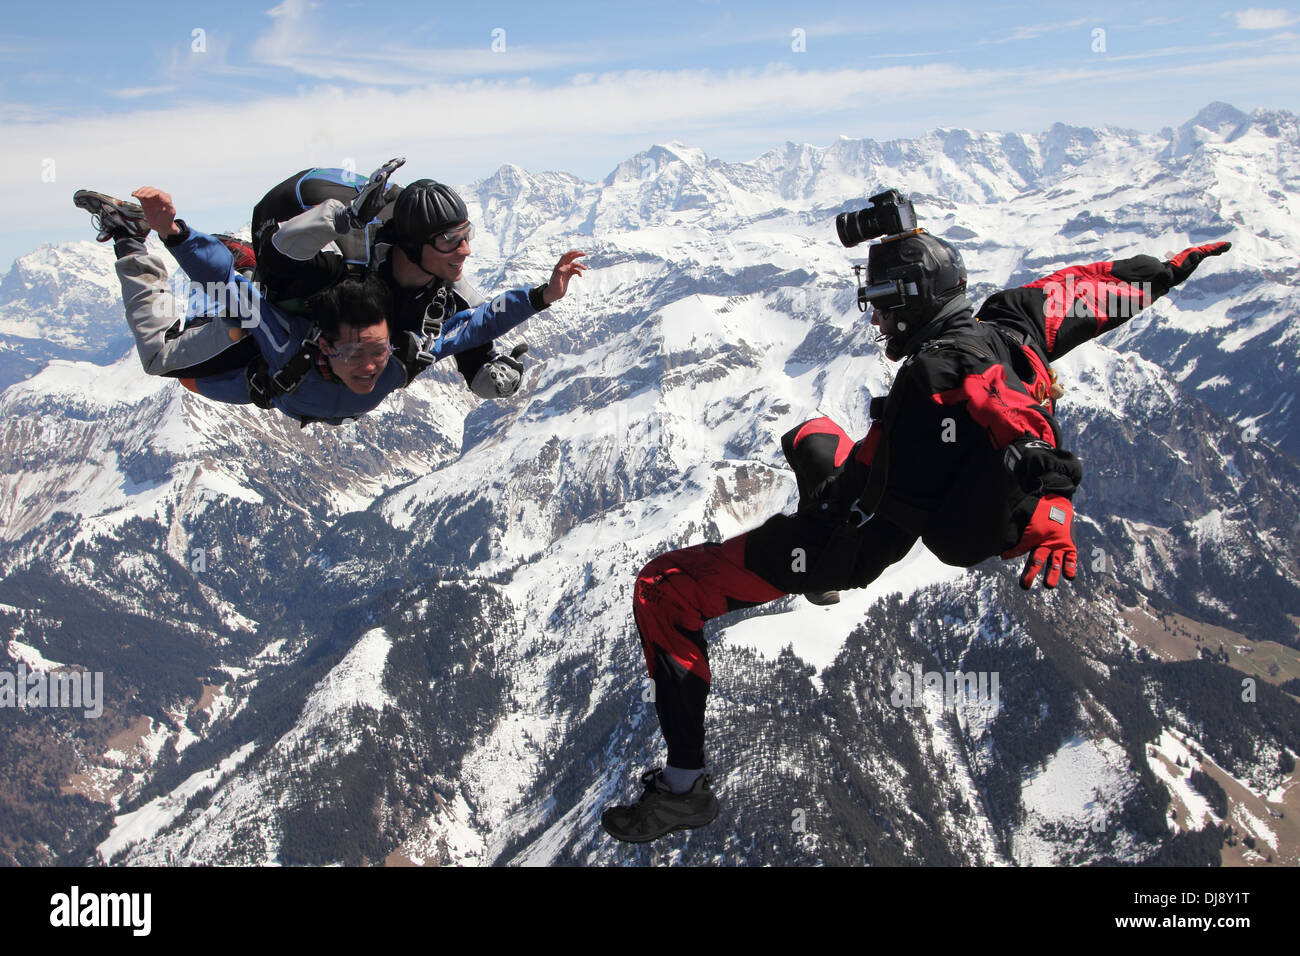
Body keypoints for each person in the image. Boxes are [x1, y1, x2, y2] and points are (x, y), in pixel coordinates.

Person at [600, 190, 1231, 843]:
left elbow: (1013, 415)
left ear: (913, 302)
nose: (877, 324)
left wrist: (1050, 501)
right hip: (875, 483)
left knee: (662, 590)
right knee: (808, 437)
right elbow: (1087, 292)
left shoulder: (944, 365)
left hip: (855, 536)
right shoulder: (1009, 319)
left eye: (883, 308)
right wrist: (1171, 268)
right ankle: (818, 562)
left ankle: (682, 790)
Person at [72, 187, 585, 424]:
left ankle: (246, 255)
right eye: (357, 354)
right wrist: (172, 233)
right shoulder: (288, 341)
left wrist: (543, 297)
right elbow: (227, 286)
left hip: (283, 375)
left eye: (376, 352)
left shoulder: (405, 351)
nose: (369, 367)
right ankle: (129, 239)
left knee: (256, 282)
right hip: (247, 368)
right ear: (325, 346)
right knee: (164, 359)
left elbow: (475, 325)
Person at [249, 159, 530, 400]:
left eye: (466, 235)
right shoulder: (341, 262)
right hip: (286, 214)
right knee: (280, 298)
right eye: (450, 241)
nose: (465, 250)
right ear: (412, 245)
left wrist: (492, 372)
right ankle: (240, 258)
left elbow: (473, 335)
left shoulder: (447, 285)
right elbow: (277, 258)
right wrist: (342, 220)